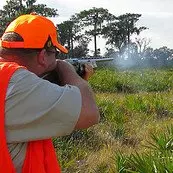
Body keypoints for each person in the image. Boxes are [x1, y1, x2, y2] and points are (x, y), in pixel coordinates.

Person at [0, 13, 100, 173]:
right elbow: (89, 114)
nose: (56, 60)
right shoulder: (17, 83)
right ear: (42, 56)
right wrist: (65, 68)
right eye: (55, 54)